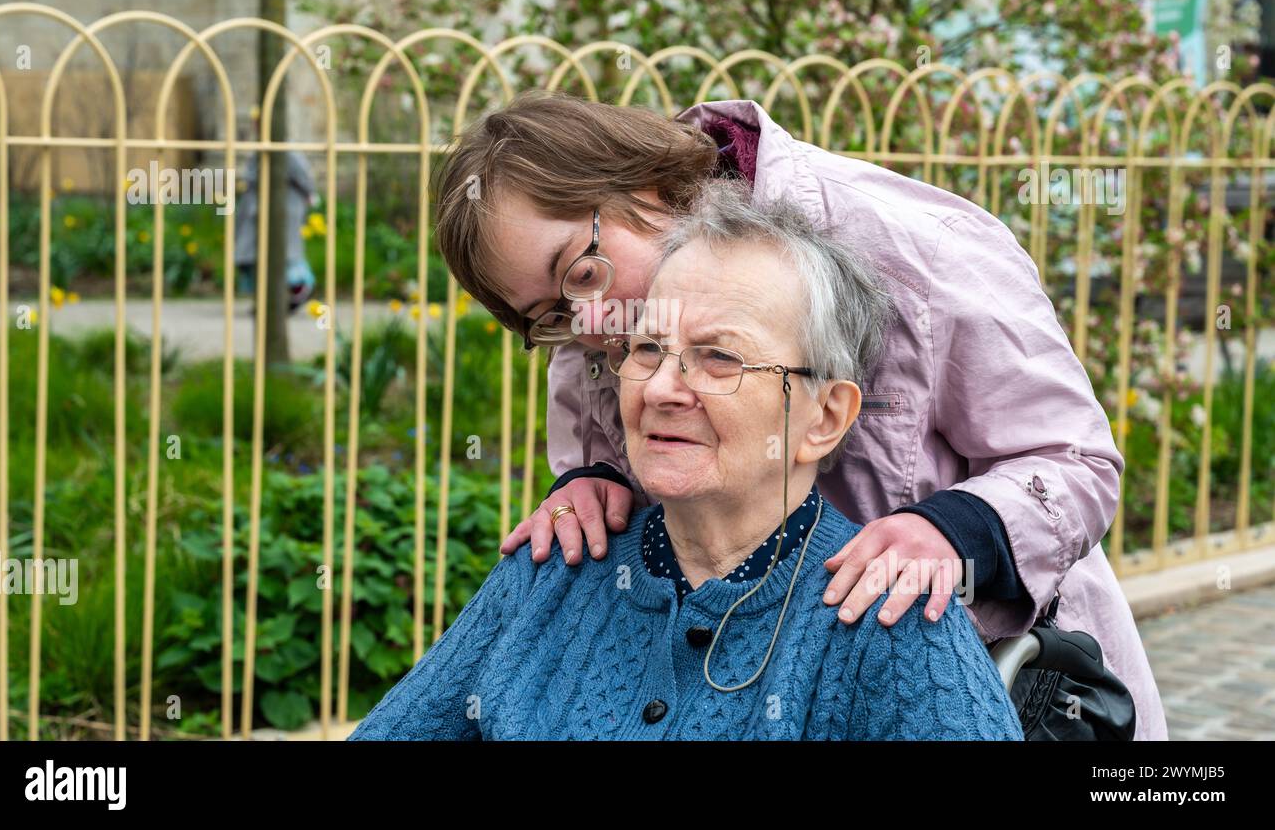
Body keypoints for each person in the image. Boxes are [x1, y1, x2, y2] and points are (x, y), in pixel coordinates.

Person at [431, 90, 1168, 740]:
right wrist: (594, 483)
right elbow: (621, 454)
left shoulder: (918, 248)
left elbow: (1075, 458)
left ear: (647, 184)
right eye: (551, 315)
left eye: (582, 274)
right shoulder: (606, 310)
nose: (592, 325)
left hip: (992, 672)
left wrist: (951, 529)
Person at [350, 181, 1023, 740]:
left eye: (719, 357)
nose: (664, 388)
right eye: (647, 349)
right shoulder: (551, 570)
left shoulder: (893, 619)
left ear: (822, 417)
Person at [233, 137, 317, 312]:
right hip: (257, 211)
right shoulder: (261, 146)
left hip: (283, 210)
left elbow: (303, 178)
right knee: (258, 256)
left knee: (286, 254)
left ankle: (299, 287)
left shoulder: (286, 149)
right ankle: (268, 300)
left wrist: (310, 194)